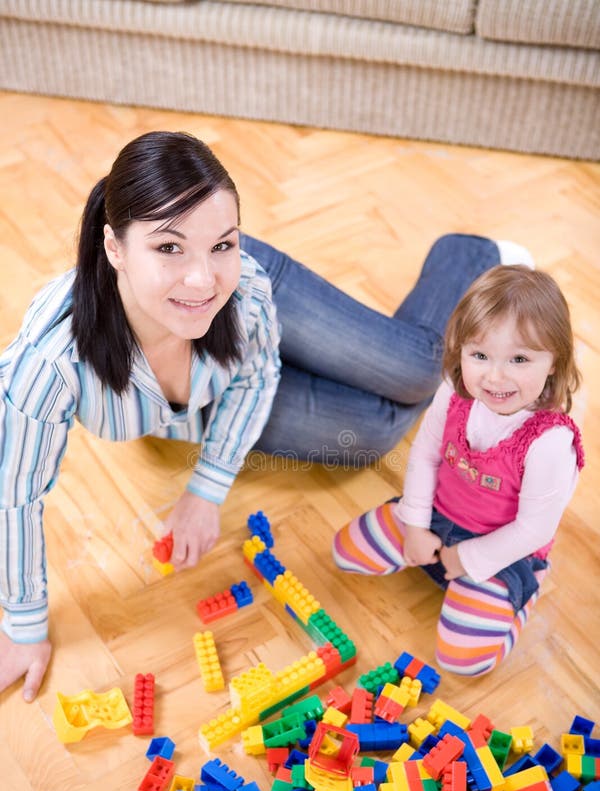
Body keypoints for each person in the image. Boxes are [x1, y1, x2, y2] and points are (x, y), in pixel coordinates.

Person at [0, 129, 525, 702]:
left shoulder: (241, 281)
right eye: (168, 247)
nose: (202, 278)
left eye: (221, 244)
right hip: (208, 404)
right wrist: (24, 628)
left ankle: (468, 253)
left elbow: (257, 374)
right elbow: (15, 498)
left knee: (419, 371)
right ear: (115, 248)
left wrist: (207, 487)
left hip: (265, 317)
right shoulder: (47, 365)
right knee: (373, 432)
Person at [333, 265, 584, 677]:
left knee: (463, 660)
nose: (495, 376)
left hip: (503, 551)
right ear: (460, 350)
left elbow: (533, 530)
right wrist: (416, 525)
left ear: (554, 361)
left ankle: (520, 597)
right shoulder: (454, 392)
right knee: (345, 553)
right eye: (479, 355)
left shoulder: (550, 442)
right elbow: (425, 457)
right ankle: (443, 570)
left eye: (519, 359)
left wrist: (466, 558)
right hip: (439, 517)